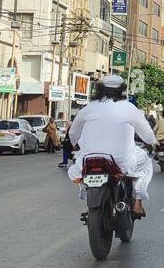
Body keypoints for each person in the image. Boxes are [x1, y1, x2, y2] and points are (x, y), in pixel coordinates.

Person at [67, 74, 156, 218]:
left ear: (99, 90)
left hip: (89, 158)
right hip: (120, 162)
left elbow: (73, 134)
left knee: (80, 168)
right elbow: (149, 137)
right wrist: (151, 141)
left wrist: (76, 146)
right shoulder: (129, 108)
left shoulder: (88, 108)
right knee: (146, 164)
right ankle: (138, 202)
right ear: (122, 90)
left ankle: (87, 194)